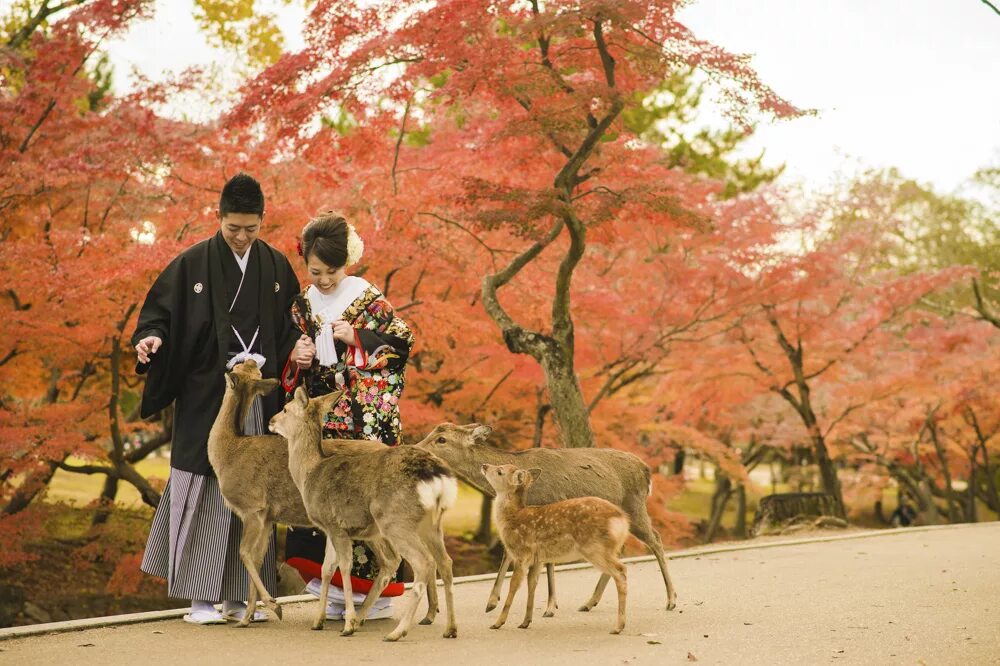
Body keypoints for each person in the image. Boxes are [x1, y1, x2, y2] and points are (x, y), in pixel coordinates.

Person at [132, 173, 301, 625]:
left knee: (257, 489)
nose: (243, 237)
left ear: (263, 220)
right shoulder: (191, 264)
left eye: (251, 228)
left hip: (259, 393)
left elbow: (290, 328)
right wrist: (149, 340)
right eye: (234, 228)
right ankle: (200, 600)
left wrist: (298, 347)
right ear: (219, 218)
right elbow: (158, 316)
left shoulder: (277, 267)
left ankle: (242, 597)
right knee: (207, 481)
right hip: (209, 393)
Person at [282, 211, 415, 621]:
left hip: (364, 415)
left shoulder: (368, 298)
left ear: (348, 263)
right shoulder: (302, 303)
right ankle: (331, 591)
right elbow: (291, 352)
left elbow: (401, 345)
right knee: (323, 495)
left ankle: (377, 593)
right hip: (323, 414)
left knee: (368, 497)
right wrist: (296, 357)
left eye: (333, 271)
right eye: (316, 271)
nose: (324, 280)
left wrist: (357, 337)